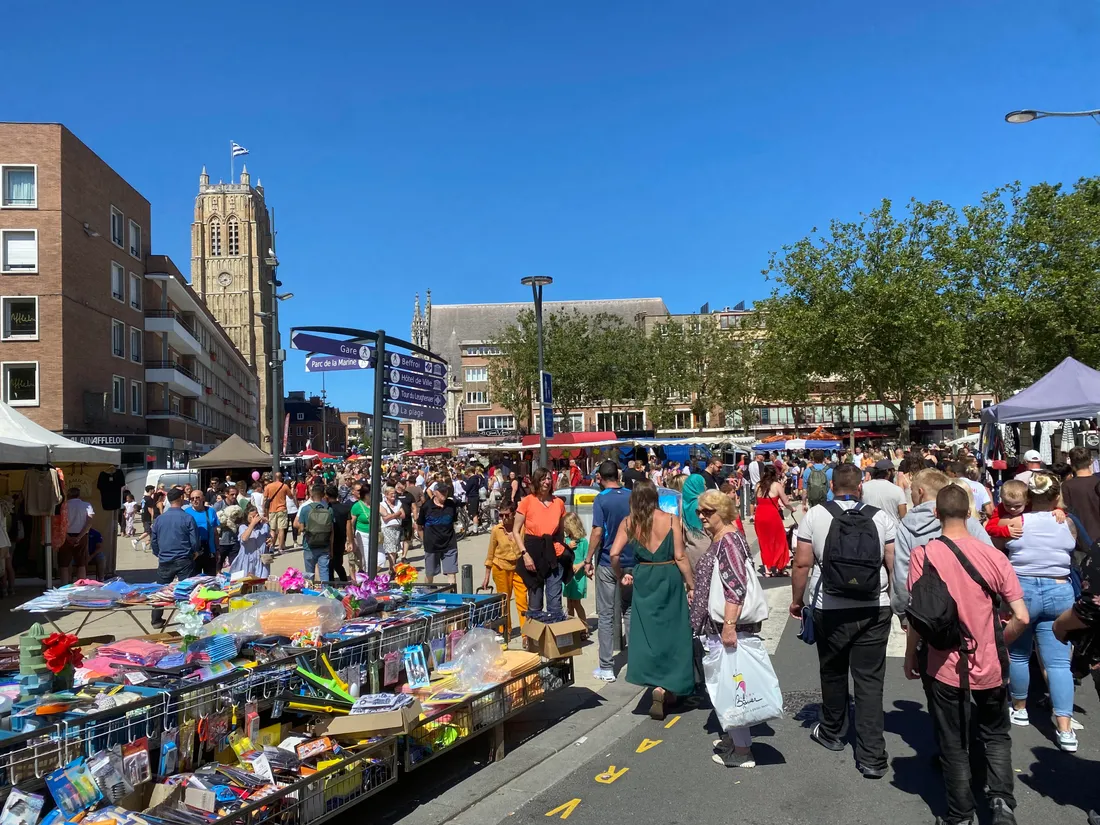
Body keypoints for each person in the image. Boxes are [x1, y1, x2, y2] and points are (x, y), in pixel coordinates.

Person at [904, 484, 1028, 825]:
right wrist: (997, 638)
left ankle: (960, 814)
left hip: (944, 661)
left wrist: (910, 656)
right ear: (970, 513)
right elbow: (1022, 615)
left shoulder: (924, 556)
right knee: (995, 733)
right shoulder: (994, 556)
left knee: (953, 740)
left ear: (936, 514)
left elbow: (919, 613)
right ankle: (1002, 802)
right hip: (990, 660)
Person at [790, 463, 896, 779]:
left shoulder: (815, 516)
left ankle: (832, 731)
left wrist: (797, 601)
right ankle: (872, 756)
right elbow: (893, 564)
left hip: (830, 606)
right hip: (874, 606)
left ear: (832, 485)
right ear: (860, 487)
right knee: (869, 680)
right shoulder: (881, 518)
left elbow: (802, 563)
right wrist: (900, 608)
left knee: (833, 671)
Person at [996, 471, 1080, 751]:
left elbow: (998, 547)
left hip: (1022, 591)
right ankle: (1065, 727)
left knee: (1019, 654)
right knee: (1058, 662)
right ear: (1056, 496)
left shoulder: (1016, 522)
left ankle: (1019, 708)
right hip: (1059, 590)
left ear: (1028, 496)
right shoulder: (1066, 522)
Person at [691, 489, 763, 768]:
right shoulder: (723, 538)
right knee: (727, 685)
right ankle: (736, 740)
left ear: (724, 512)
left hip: (727, 627)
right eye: (700, 511)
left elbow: (736, 587)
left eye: (708, 511)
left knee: (733, 687)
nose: (701, 516)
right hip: (720, 626)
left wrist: (729, 626)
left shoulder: (729, 540)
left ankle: (743, 750)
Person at [609, 479, 694, 720]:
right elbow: (680, 556)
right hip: (668, 575)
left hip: (644, 576)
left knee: (649, 634)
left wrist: (621, 575)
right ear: (656, 496)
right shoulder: (670, 519)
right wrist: (691, 584)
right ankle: (669, 686)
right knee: (674, 631)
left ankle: (655, 684)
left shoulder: (629, 522)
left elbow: (614, 553)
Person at [892, 469, 995, 616]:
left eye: (911, 490)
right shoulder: (966, 521)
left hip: (926, 610)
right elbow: (990, 557)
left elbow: (902, 573)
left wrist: (903, 611)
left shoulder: (906, 527)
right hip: (969, 606)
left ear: (920, 492)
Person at [584, 460, 633, 682]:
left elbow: (597, 531)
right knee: (630, 610)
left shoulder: (601, 499)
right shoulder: (631, 496)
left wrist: (587, 559)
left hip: (606, 560)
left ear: (600, 479)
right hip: (631, 559)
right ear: (618, 476)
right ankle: (634, 662)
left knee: (605, 614)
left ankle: (606, 667)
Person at [513, 468, 568, 617]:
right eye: (543, 479)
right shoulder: (527, 501)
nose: (547, 482)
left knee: (555, 602)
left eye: (549, 479)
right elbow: (515, 531)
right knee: (535, 602)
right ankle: (534, 638)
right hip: (533, 552)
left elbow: (561, 531)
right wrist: (524, 554)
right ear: (537, 481)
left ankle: (555, 635)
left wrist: (560, 549)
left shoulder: (558, 503)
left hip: (553, 552)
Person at [150, 488, 199, 627]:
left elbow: (154, 540)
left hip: (165, 559)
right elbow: (194, 540)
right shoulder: (188, 517)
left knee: (160, 591)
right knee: (186, 590)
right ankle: (187, 619)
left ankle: (156, 620)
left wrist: (158, 553)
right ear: (181, 498)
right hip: (184, 559)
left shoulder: (160, 519)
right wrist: (195, 552)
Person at [482, 501, 526, 641]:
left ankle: (526, 633)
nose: (504, 518)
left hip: (519, 566)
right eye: (501, 515)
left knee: (522, 600)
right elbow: (490, 553)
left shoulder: (521, 528)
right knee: (503, 601)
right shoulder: (497, 530)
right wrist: (487, 576)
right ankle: (505, 630)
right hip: (500, 567)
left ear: (514, 514)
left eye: (507, 515)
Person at [755, 464, 795, 577]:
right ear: (775, 474)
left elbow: (756, 501)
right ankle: (779, 567)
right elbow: (786, 502)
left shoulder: (758, 485)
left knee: (764, 541)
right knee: (779, 540)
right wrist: (793, 509)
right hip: (772, 515)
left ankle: (767, 569)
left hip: (760, 515)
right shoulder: (777, 485)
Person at [418, 482, 460, 587]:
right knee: (430, 574)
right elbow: (419, 526)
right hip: (431, 545)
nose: (444, 494)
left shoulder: (451, 505)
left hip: (449, 544)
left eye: (445, 491)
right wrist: (425, 540)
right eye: (441, 492)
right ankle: (427, 594)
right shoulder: (426, 506)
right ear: (435, 492)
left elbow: (453, 521)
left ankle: (452, 596)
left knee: (451, 573)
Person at [1062, 446, 1100, 546]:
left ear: (1071, 463)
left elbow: (1065, 511)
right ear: (1091, 461)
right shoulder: (1098, 482)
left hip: (1079, 538)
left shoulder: (1067, 486)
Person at [295, 484, 333, 582]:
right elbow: (332, 531)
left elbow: (301, 528)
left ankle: (310, 593)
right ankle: (326, 592)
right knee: (324, 572)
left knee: (309, 574)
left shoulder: (305, 509)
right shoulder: (329, 509)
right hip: (324, 545)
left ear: (311, 494)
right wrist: (331, 548)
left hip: (309, 545)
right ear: (323, 495)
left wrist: (301, 529)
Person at [59, 487, 94, 585]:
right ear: (79, 495)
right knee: (81, 563)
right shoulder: (87, 505)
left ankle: (64, 585)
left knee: (64, 563)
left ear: (68, 495)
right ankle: (81, 586)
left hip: (66, 536)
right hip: (82, 535)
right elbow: (89, 522)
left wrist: (67, 536)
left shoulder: (63, 506)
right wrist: (79, 537)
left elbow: (59, 523)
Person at [562, 512, 589, 631]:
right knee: (569, 603)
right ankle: (571, 628)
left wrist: (580, 565)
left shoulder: (583, 542)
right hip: (568, 576)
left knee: (576, 603)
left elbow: (587, 558)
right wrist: (567, 546)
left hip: (578, 577)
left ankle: (584, 627)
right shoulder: (566, 540)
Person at [680, 468, 711, 571]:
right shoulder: (703, 505)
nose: (705, 487)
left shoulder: (681, 506)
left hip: (691, 550)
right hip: (707, 548)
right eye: (703, 484)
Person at [231, 504, 272, 579]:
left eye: (256, 516)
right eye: (252, 517)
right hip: (248, 560)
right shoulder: (243, 527)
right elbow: (244, 538)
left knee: (262, 581)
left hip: (262, 559)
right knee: (248, 583)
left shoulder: (264, 526)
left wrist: (270, 540)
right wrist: (253, 524)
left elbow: (271, 537)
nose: (255, 518)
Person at [184, 490, 218, 575]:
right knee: (194, 579)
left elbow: (215, 532)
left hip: (208, 549)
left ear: (203, 498)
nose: (194, 500)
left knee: (211, 578)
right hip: (193, 549)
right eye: (192, 498)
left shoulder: (210, 511)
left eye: (197, 497)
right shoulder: (186, 512)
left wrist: (217, 549)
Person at [263, 471, 292, 555]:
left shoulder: (268, 486)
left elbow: (265, 499)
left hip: (272, 510)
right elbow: (290, 496)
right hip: (282, 509)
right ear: (281, 477)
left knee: (272, 529)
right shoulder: (284, 486)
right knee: (281, 529)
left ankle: (271, 546)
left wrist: (264, 510)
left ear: (274, 477)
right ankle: (280, 548)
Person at [350, 484, 376, 575]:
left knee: (380, 559)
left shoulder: (375, 504)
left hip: (375, 535)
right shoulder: (356, 506)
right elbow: (351, 523)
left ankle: (368, 574)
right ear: (366, 495)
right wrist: (351, 538)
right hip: (362, 534)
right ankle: (368, 579)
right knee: (366, 557)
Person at [379, 485, 404, 572]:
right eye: (391, 494)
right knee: (391, 549)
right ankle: (392, 568)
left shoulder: (398, 502)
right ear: (386, 495)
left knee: (395, 550)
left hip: (397, 528)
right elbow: (385, 518)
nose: (394, 495)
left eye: (394, 493)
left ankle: (392, 567)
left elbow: (403, 515)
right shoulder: (382, 504)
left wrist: (391, 515)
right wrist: (397, 514)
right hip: (387, 529)